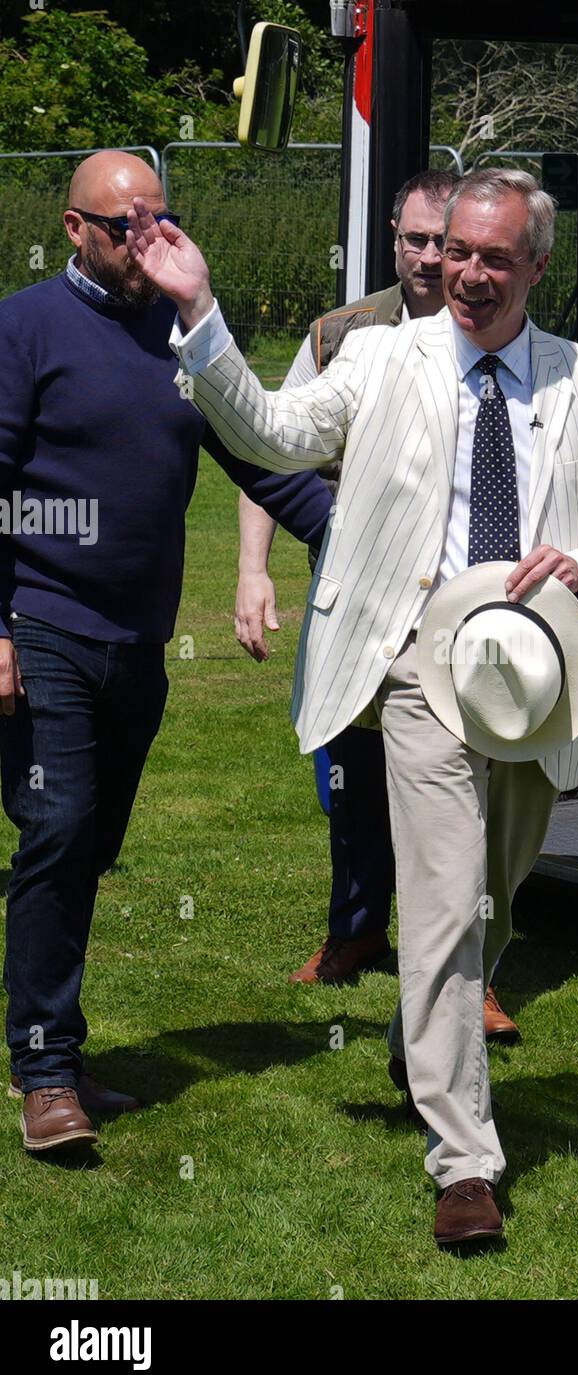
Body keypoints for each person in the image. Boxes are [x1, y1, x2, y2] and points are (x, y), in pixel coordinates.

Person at [126, 167, 578, 1245]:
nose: (465, 273)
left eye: (492, 259)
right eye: (454, 251)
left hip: (540, 679)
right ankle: (465, 1163)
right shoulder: (378, 355)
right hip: (420, 668)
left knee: (496, 901)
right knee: (444, 897)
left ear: (536, 268)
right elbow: (274, 432)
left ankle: (422, 1039)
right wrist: (198, 311)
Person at [0, 151, 333, 1153]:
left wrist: (365, 535)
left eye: (159, 221)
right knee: (58, 830)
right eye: (120, 225)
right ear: (72, 230)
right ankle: (47, 1072)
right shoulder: (24, 327)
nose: (143, 241)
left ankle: (51, 1026)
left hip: (138, 641)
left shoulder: (185, 337)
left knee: (86, 848)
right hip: (43, 620)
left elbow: (262, 456)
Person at [236, 169, 520, 1041]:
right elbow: (270, 442)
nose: (434, 258)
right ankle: (354, 933)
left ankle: (471, 978)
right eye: (418, 240)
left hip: (466, 604)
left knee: (468, 789)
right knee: (354, 778)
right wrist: (254, 571)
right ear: (393, 240)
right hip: (357, 594)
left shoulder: (503, 335)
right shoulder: (342, 334)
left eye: (448, 242)